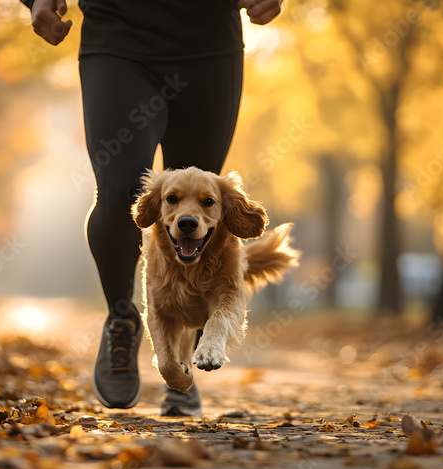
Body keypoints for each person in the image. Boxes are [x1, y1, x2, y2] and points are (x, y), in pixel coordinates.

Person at [23, 0, 283, 415]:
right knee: (122, 193)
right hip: (118, 37)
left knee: (197, 213)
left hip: (208, 45)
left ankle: (184, 363)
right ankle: (122, 319)